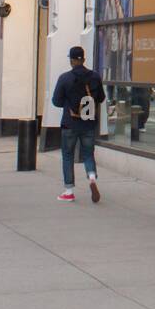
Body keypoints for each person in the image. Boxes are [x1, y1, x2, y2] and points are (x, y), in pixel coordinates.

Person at [52, 46, 105, 204]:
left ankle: (68, 191)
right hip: (88, 124)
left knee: (67, 155)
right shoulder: (95, 77)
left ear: (72, 60)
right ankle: (91, 176)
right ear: (84, 59)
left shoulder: (65, 78)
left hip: (70, 123)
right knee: (88, 153)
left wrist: (69, 103)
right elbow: (101, 98)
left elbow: (56, 101)